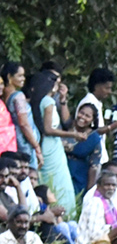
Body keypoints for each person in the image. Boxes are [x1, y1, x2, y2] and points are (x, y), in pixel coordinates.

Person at [27, 69, 82, 217]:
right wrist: (73, 134)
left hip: (47, 145)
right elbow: (48, 129)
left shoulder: (39, 100)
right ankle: (64, 213)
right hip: (52, 147)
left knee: (50, 180)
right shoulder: (49, 101)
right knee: (60, 181)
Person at [3, 63, 41, 168]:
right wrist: (36, 147)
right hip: (25, 143)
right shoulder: (18, 96)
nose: (23, 79)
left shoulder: (4, 95)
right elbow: (24, 124)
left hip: (13, 141)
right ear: (9, 77)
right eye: (19, 76)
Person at [65, 102, 104, 197]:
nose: (83, 117)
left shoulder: (94, 138)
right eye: (81, 113)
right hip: (60, 171)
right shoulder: (66, 128)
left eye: (87, 116)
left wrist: (89, 192)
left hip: (79, 177)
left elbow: (94, 166)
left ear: (92, 120)